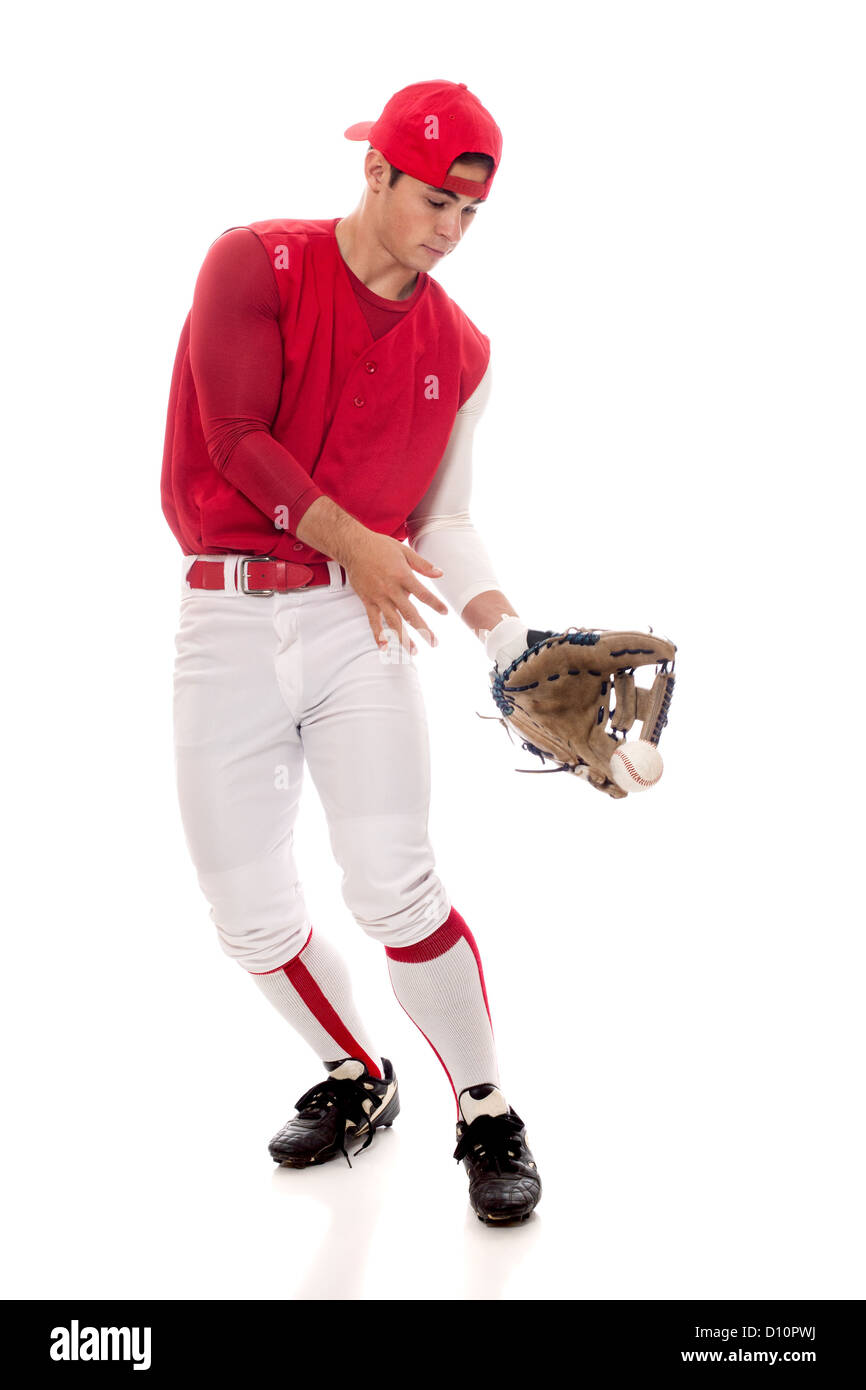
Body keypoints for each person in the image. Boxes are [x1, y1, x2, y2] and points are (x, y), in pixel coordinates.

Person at [162, 79, 542, 1225]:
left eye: (470, 214)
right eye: (434, 200)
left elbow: (442, 521)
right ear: (374, 172)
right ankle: (355, 1075)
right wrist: (357, 543)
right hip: (224, 617)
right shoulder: (254, 263)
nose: (450, 230)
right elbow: (236, 441)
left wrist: (506, 636)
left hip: (354, 623)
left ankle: (485, 1111)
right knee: (248, 917)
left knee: (394, 883)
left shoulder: (462, 350)